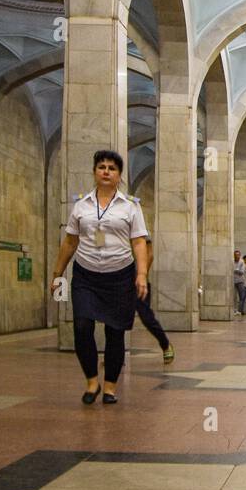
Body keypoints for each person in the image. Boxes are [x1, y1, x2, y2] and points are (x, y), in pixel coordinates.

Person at [50, 149, 148, 404]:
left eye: (112, 168)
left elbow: (138, 242)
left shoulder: (130, 206)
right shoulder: (81, 205)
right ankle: (92, 381)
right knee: (82, 326)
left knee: (115, 332)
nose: (106, 171)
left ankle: (110, 387)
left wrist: (141, 274)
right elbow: (70, 241)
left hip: (120, 276)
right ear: (94, 172)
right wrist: (57, 273)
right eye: (101, 167)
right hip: (86, 275)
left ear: (119, 175)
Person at [136, 233, 174, 363]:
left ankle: (165, 344)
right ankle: (113, 356)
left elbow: (150, 255)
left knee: (146, 316)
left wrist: (141, 275)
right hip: (118, 278)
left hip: (138, 281)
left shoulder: (141, 228)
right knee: (116, 318)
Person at [232, 249, 246, 316]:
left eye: (238, 255)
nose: (236, 256)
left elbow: (242, 272)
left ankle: (240, 310)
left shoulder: (242, 262)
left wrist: (236, 270)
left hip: (240, 281)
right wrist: (237, 270)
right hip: (233, 281)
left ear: (240, 255)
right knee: (234, 296)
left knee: (241, 297)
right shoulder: (232, 261)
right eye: (235, 255)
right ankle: (234, 310)